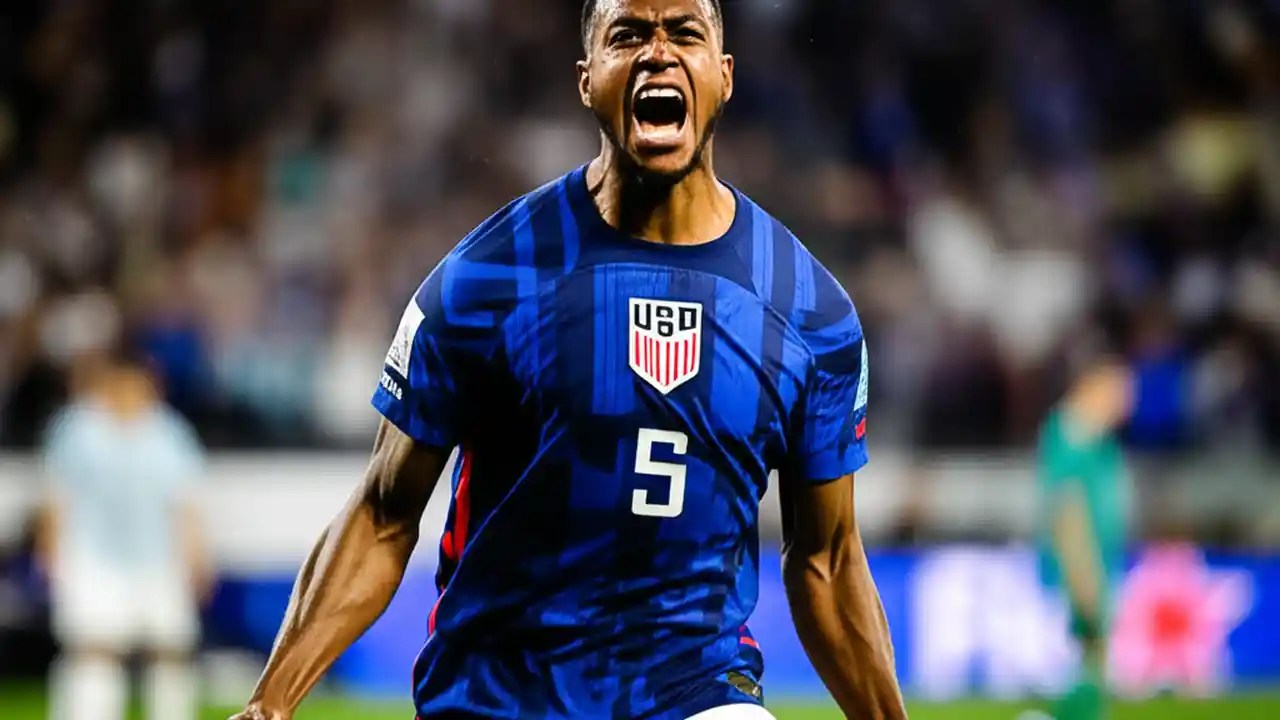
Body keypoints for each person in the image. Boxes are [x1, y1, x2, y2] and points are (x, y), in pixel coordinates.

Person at [232, 1, 906, 718]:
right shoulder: (486, 278)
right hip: (500, 695)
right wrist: (271, 703)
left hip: (692, 692)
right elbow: (383, 514)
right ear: (586, 81)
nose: (658, 53)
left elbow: (828, 559)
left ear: (725, 75)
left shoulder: (809, 311)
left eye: (685, 32)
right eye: (628, 35)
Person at [38, 345, 211, 720]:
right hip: (92, 557)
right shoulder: (78, 429)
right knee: (93, 650)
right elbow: (56, 497)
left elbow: (186, 503)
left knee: (171, 650)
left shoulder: (169, 433)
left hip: (159, 558)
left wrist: (197, 559)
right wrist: (51, 555)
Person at [1036, 360, 1134, 720]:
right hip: (1081, 564)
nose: (1126, 403)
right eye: (1120, 392)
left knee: (1094, 659)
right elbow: (1068, 510)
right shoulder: (1073, 436)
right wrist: (1083, 573)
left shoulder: (1094, 436)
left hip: (1097, 560)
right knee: (1087, 657)